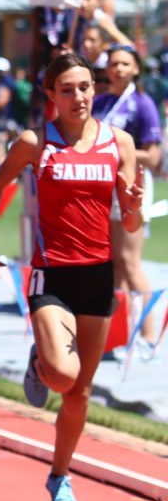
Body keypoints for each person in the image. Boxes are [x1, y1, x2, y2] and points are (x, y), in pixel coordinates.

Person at [0, 51, 145, 501]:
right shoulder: (35, 142)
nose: (78, 97)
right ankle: (42, 360)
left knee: (80, 393)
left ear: (95, 88)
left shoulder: (118, 143)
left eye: (85, 87)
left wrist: (129, 206)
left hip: (97, 275)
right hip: (51, 273)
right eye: (66, 89)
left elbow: (129, 226)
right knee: (64, 377)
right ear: (50, 95)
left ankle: (60, 475)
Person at [93, 43, 162, 349]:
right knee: (113, 265)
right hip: (103, 188)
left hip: (131, 186)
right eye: (113, 63)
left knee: (129, 262)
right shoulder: (101, 101)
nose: (118, 68)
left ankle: (150, 336)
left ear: (135, 68)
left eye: (124, 63)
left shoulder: (142, 103)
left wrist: (120, 151)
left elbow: (155, 157)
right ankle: (121, 334)